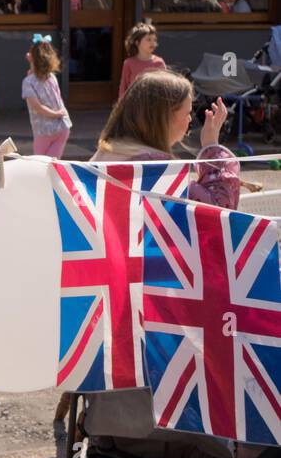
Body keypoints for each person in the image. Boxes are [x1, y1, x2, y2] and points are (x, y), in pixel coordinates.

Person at [52, 72, 235, 430]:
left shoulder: (105, 155)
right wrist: (211, 145)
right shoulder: (158, 170)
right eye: (186, 111)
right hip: (153, 299)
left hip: (101, 298)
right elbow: (219, 216)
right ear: (164, 117)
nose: (190, 119)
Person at [22, 34, 72, 157]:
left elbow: (37, 107)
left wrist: (54, 114)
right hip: (63, 126)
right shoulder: (52, 77)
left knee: (40, 164)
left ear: (31, 58)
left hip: (44, 130)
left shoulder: (28, 82)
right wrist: (58, 114)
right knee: (52, 164)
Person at [118, 22, 166, 98]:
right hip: (134, 105)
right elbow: (123, 87)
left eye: (155, 40)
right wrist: (121, 105)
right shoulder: (129, 63)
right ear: (137, 43)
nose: (153, 43)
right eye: (148, 39)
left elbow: (165, 87)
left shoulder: (159, 62)